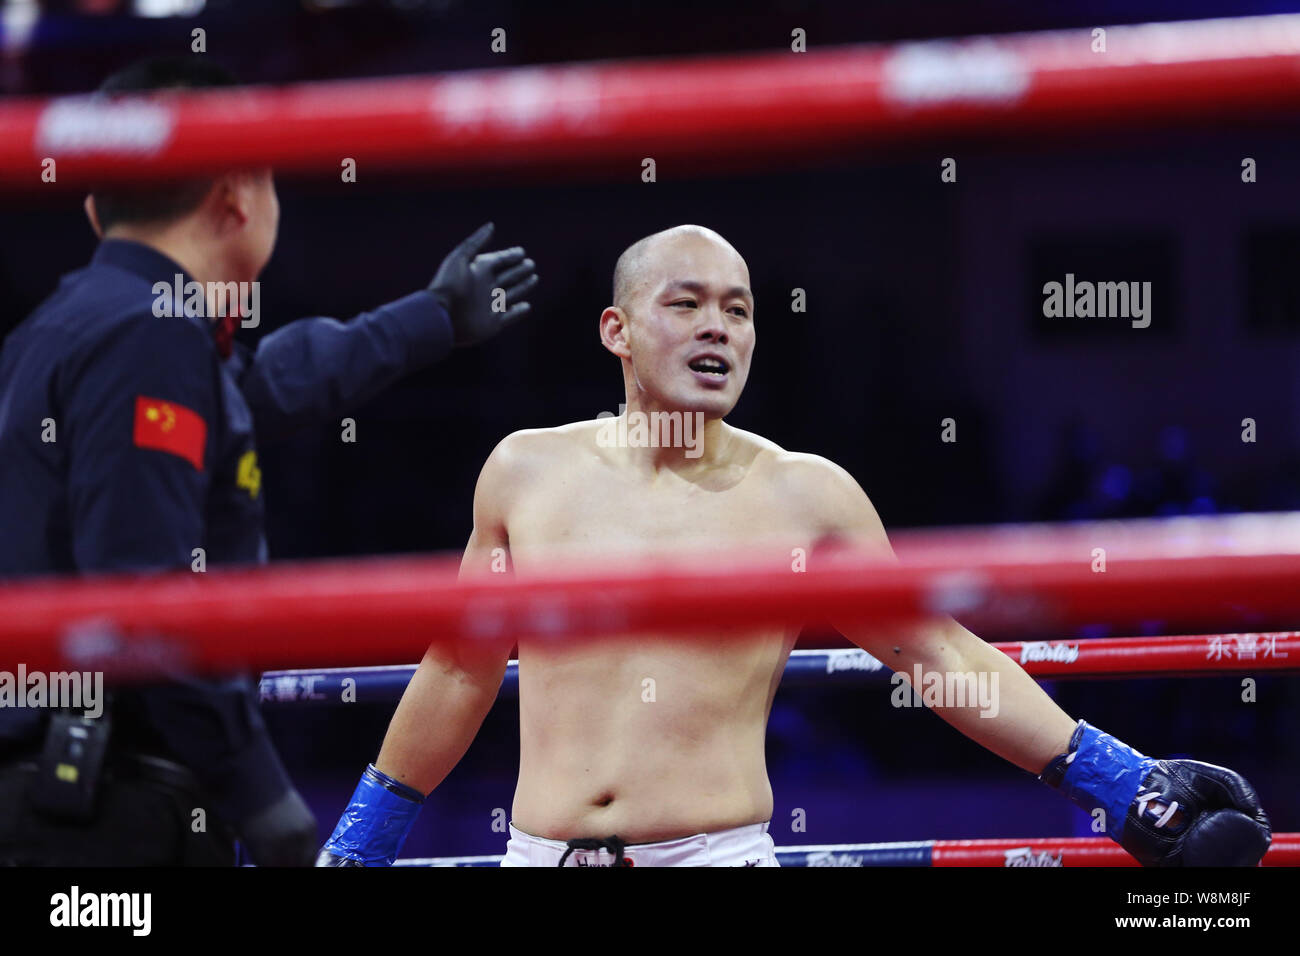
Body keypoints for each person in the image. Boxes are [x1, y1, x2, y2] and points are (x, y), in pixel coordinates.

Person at [318, 225, 1269, 868]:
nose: (718, 329)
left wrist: (1120, 779)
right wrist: (359, 844)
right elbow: (460, 669)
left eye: (738, 310)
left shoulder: (804, 495)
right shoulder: (524, 472)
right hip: (542, 853)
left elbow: (939, 657)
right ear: (617, 330)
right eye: (686, 305)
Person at [0, 56, 538, 866]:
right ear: (236, 195)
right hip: (105, 815)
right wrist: (267, 803)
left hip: (74, 796)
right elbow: (149, 603)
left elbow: (261, 385)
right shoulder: (148, 338)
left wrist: (427, 318)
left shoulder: (76, 327)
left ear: (94, 205)